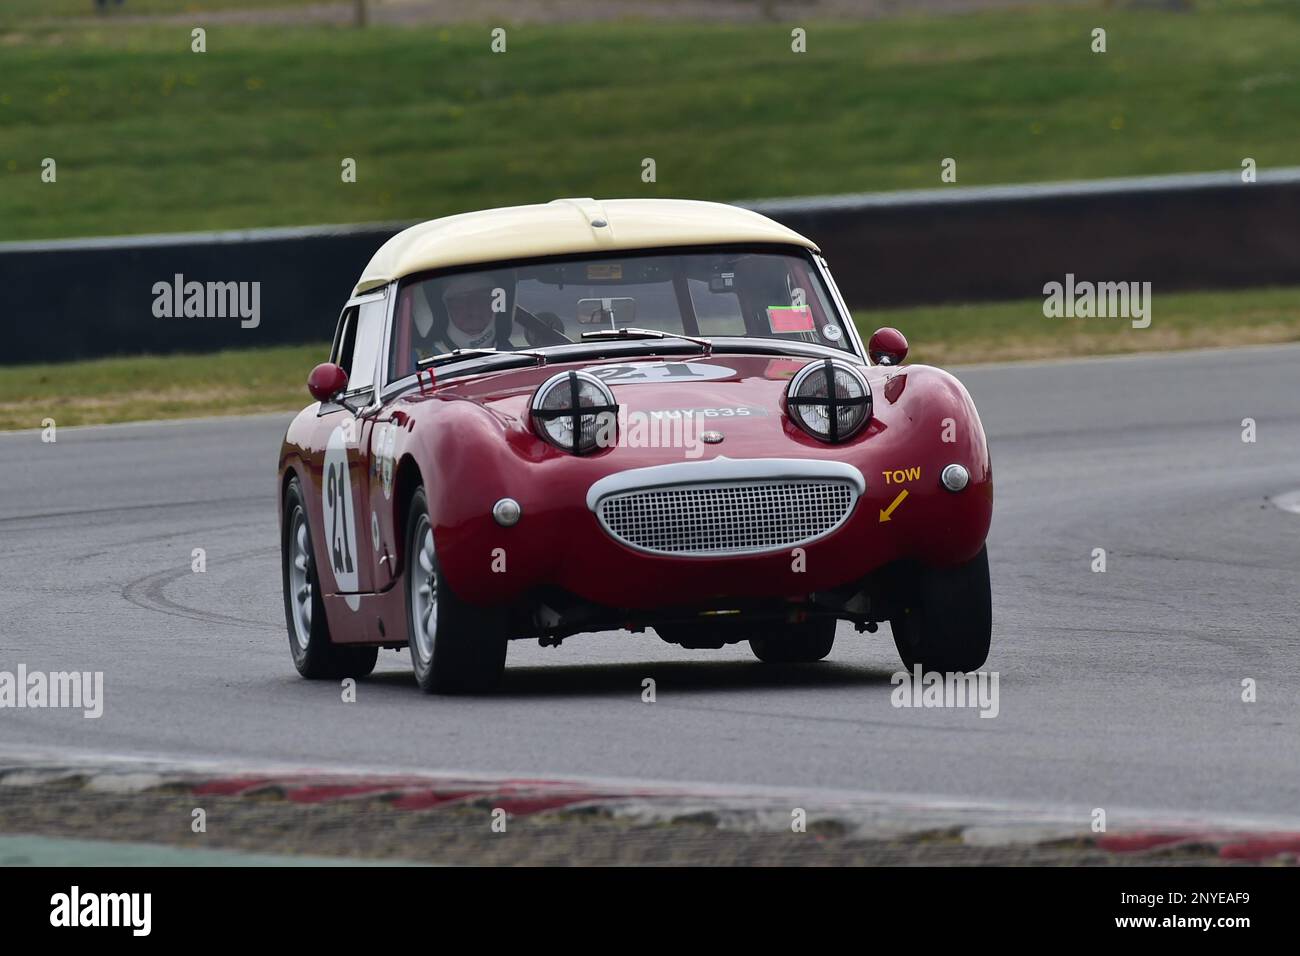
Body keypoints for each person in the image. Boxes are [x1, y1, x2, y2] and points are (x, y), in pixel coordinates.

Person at [395, 270, 516, 377]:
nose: (474, 311)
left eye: (483, 299)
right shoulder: (408, 365)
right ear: (439, 311)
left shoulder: (520, 356)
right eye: (460, 302)